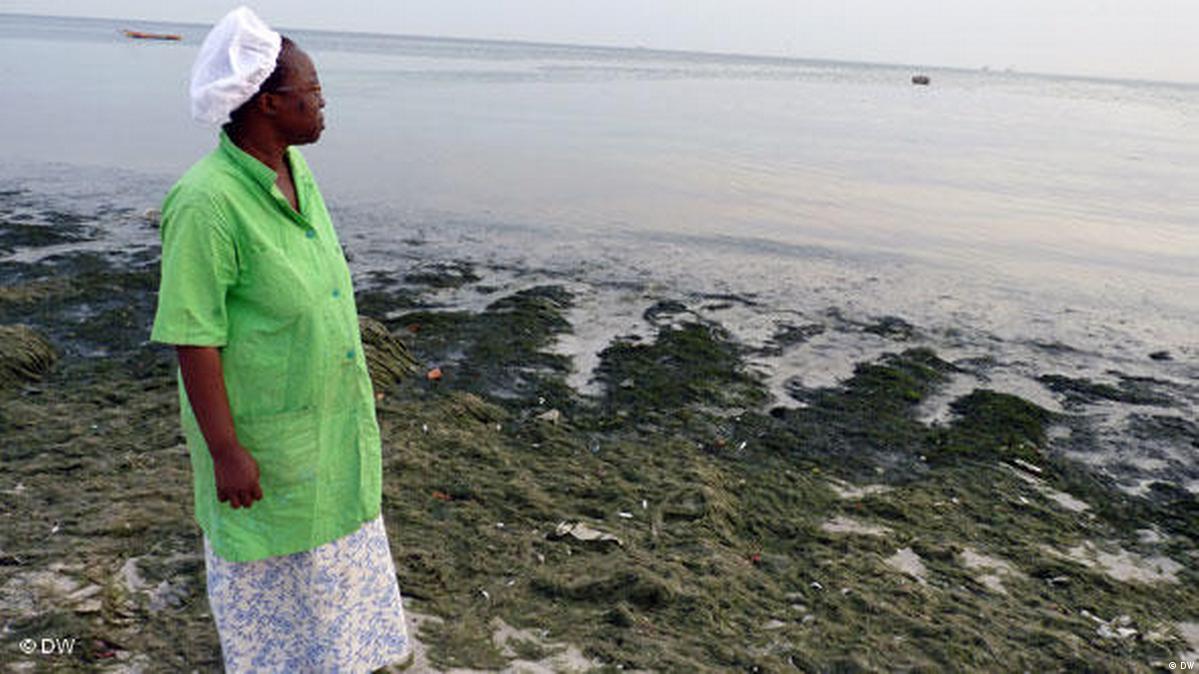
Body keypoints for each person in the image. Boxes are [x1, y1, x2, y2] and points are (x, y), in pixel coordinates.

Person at [150, 7, 410, 672]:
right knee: (277, 606)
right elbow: (192, 338)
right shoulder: (206, 202)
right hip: (265, 447)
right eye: (314, 92)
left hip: (327, 428)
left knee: (336, 597)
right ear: (270, 103)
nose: (324, 104)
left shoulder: (293, 172)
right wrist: (226, 452)